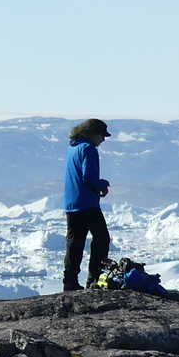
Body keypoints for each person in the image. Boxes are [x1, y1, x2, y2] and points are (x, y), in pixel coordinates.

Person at [63, 118, 113, 291]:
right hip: (87, 203)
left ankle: (69, 282)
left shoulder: (73, 147)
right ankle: (94, 281)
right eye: (102, 135)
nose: (103, 140)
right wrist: (102, 185)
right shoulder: (89, 149)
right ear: (92, 133)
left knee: (75, 243)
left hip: (71, 203)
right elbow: (88, 178)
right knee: (102, 239)